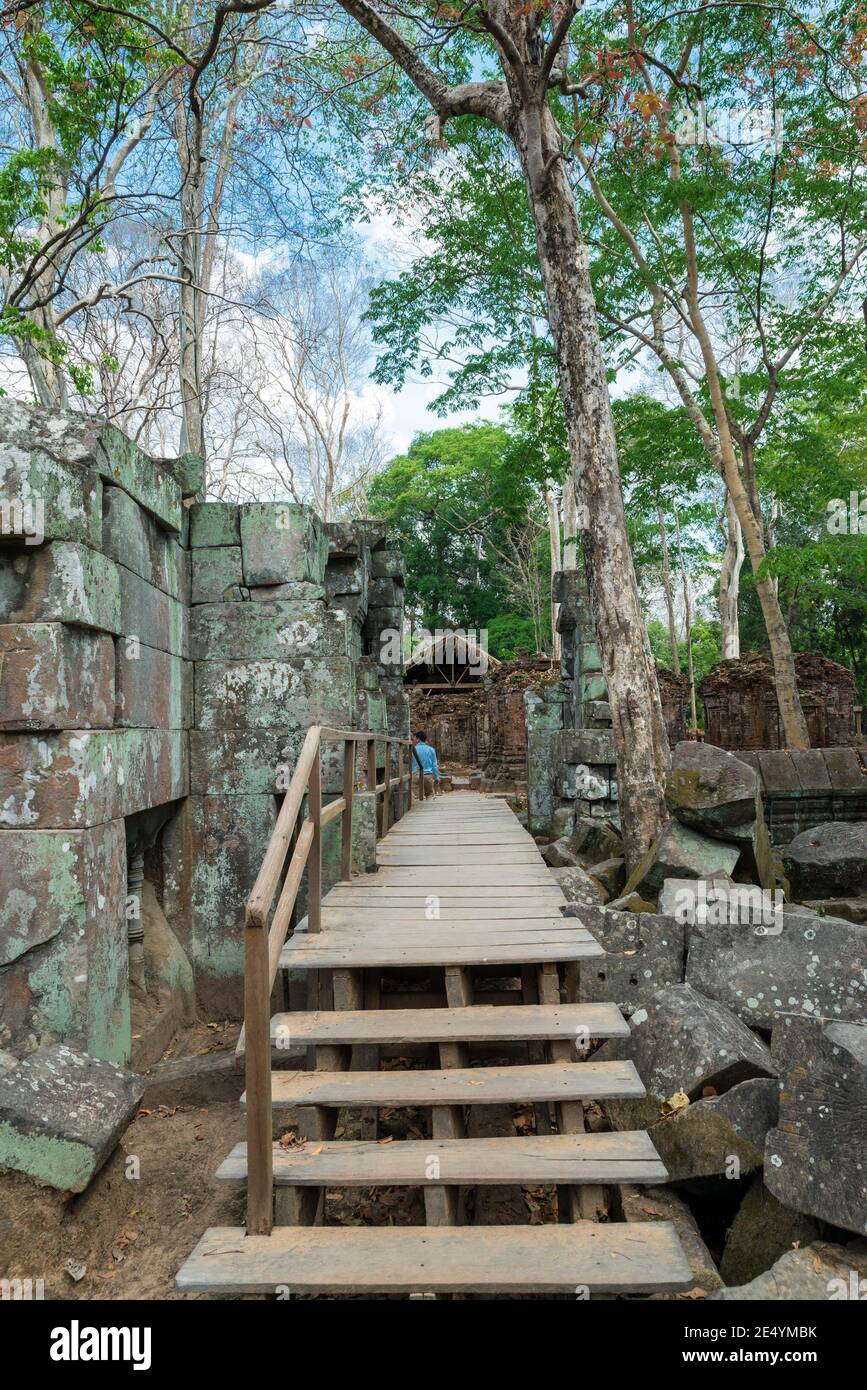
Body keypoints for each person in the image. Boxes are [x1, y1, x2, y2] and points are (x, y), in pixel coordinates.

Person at [413, 730, 441, 796]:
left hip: (416, 776)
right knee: (430, 796)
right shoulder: (431, 750)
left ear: (418, 739)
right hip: (428, 776)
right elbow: (434, 765)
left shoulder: (412, 749)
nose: (413, 740)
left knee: (417, 798)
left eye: (414, 738)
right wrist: (437, 777)